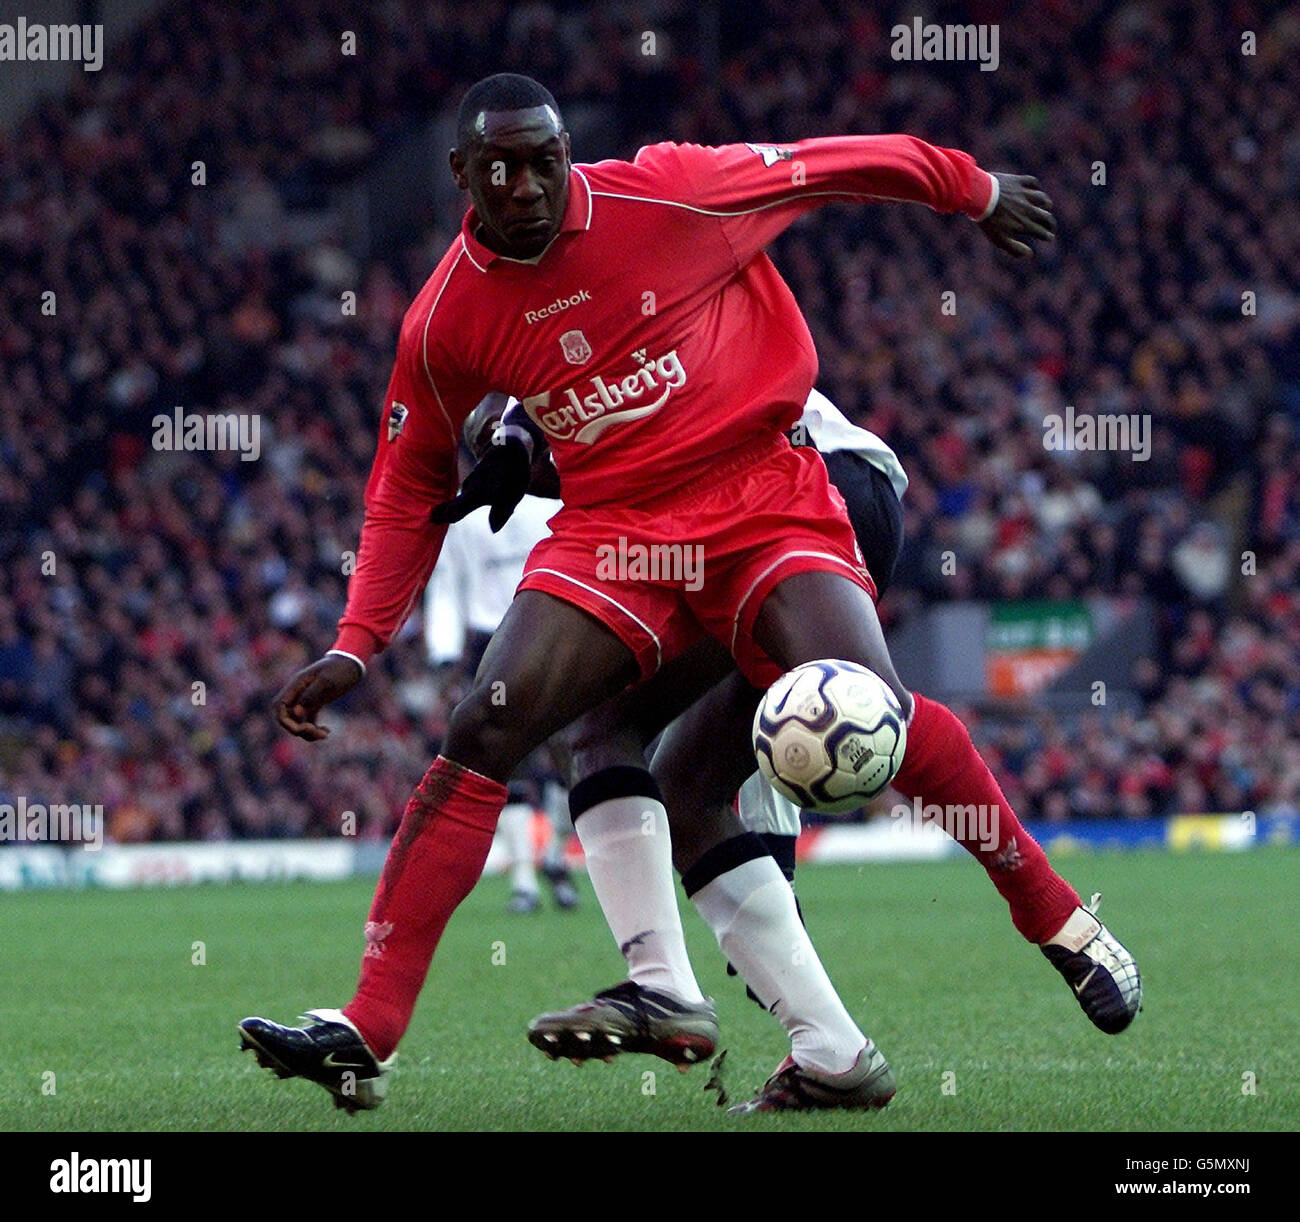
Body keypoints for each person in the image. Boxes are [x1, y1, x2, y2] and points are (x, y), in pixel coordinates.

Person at [239, 71, 1060, 1115]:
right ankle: (393, 1025)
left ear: (567, 150)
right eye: (501, 166)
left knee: (742, 747)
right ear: (461, 175)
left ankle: (938, 956)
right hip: (627, 533)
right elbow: (409, 481)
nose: (527, 184)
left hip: (807, 489)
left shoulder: (667, 197)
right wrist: (359, 641)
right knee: (505, 725)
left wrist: (968, 189)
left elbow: (830, 161)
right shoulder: (447, 319)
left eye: (544, 159)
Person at [450, 387, 1140, 1113]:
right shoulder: (542, 357)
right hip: (753, 500)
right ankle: (830, 1051)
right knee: (678, 786)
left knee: (858, 705)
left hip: (800, 474)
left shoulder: (567, 332)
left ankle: (1050, 913)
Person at [423, 397, 579, 914]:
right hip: (525, 635)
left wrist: (446, 659)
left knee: (538, 759)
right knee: (535, 759)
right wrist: (446, 656)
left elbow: (445, 587)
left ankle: (542, 868)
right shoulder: (544, 501)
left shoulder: (550, 502)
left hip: (514, 638)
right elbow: (446, 585)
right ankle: (532, 874)